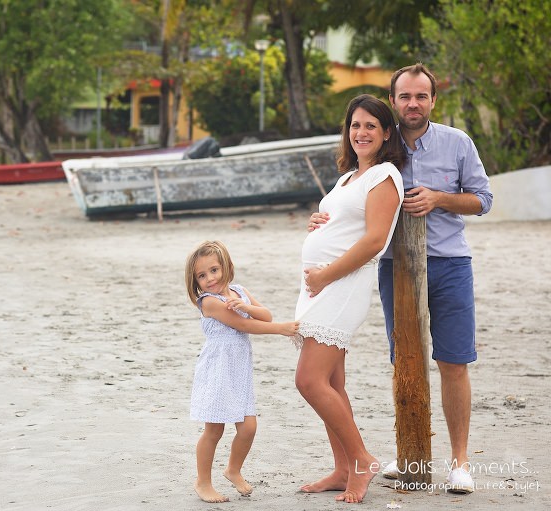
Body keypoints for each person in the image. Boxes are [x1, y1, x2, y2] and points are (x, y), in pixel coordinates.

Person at [310, 63, 493, 494]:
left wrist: (440, 198)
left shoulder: (457, 143)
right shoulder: (379, 145)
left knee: (453, 361)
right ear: (393, 101)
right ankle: (411, 457)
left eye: (421, 96)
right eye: (405, 97)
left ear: (433, 100)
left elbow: (483, 199)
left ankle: (460, 462)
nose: (413, 104)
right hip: (395, 268)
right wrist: (325, 216)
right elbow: (355, 200)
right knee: (405, 362)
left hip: (449, 264)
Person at [296, 94, 405, 503]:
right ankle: (342, 467)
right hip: (318, 287)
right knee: (332, 382)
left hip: (341, 286)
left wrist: (324, 275)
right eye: (355, 125)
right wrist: (317, 222)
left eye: (370, 126)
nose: (361, 133)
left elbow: (375, 240)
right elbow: (342, 222)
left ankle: (361, 459)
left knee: (308, 380)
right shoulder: (347, 178)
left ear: (386, 133)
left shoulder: (385, 176)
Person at [185, 240, 300, 503]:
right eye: (202, 276)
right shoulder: (209, 302)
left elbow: (264, 316)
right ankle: (203, 482)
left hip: (239, 370)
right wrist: (282, 329)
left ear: (227, 267)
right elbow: (244, 327)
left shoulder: (239, 291)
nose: (210, 279)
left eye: (214, 270)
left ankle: (233, 469)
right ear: (195, 282)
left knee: (248, 427)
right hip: (218, 369)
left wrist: (247, 306)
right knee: (214, 430)